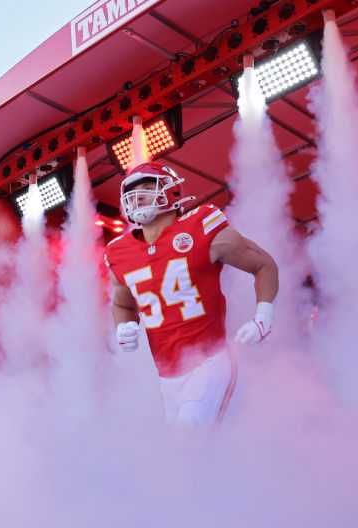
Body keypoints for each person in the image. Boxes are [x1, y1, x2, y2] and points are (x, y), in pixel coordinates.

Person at [104, 162, 279, 426]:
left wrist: (263, 317)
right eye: (133, 190)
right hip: (166, 377)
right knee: (187, 456)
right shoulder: (119, 252)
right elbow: (122, 303)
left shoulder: (200, 227)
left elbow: (264, 265)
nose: (138, 196)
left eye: (146, 188)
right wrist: (124, 326)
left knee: (189, 445)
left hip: (209, 363)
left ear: (171, 191)